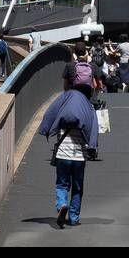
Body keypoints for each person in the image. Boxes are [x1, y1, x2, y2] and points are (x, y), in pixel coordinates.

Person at [38, 84, 98, 228]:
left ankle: (62, 205)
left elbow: (50, 113)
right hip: (79, 156)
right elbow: (94, 129)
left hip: (62, 154)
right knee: (77, 188)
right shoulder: (88, 108)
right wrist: (93, 147)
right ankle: (73, 218)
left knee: (62, 184)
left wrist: (45, 129)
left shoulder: (64, 106)